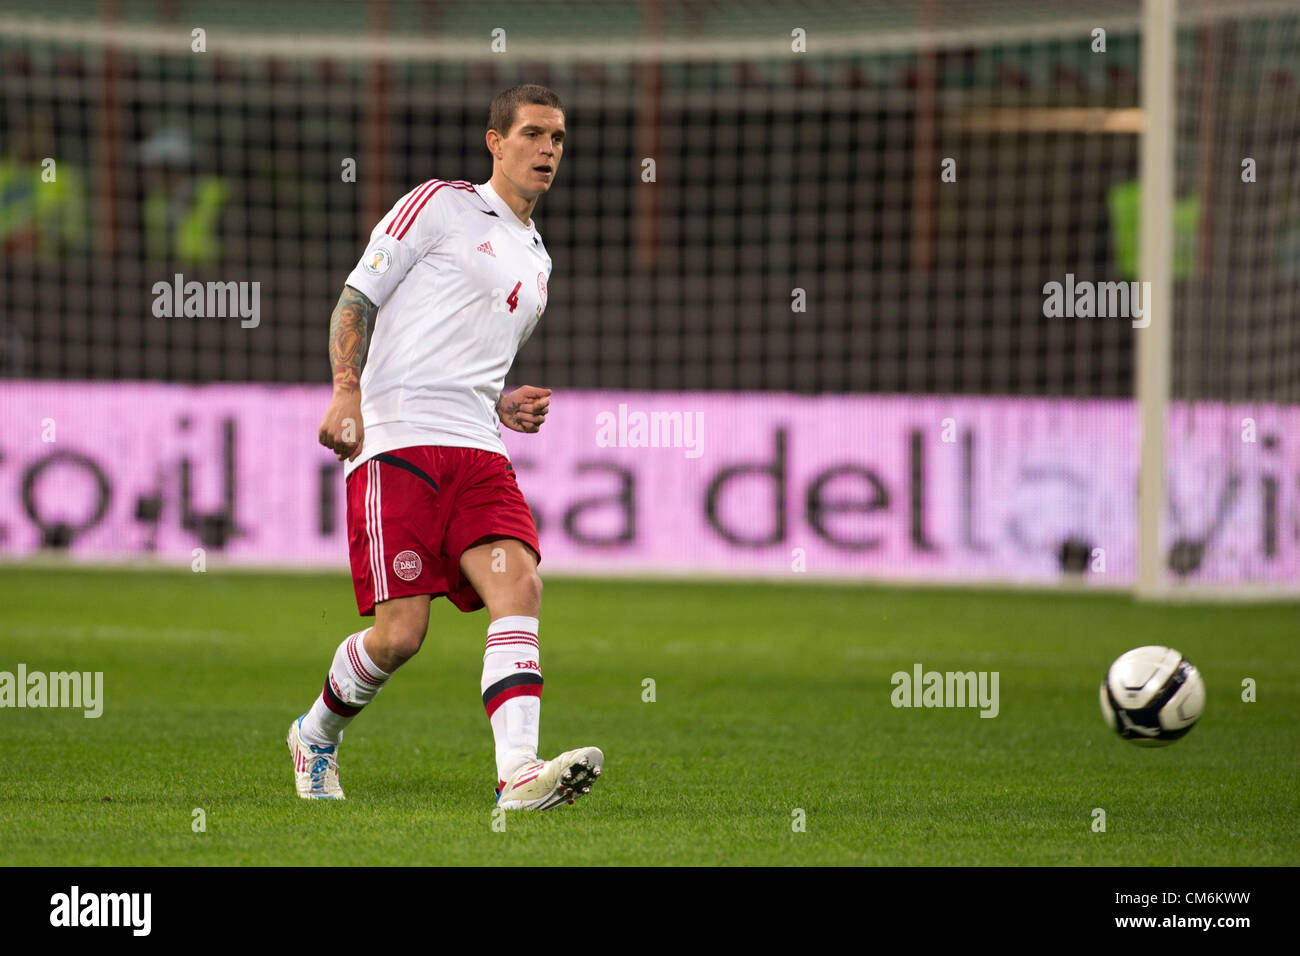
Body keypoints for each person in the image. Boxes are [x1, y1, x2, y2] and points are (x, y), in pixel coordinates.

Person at [289, 84, 602, 810]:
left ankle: (518, 774)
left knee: (520, 585)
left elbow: (450, 352)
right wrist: (346, 390)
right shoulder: (439, 203)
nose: (547, 149)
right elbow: (358, 298)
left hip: (478, 451)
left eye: (557, 137)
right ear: (495, 142)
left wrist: (500, 401)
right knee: (400, 636)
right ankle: (314, 734)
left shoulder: (538, 261)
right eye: (532, 134)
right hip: (397, 442)